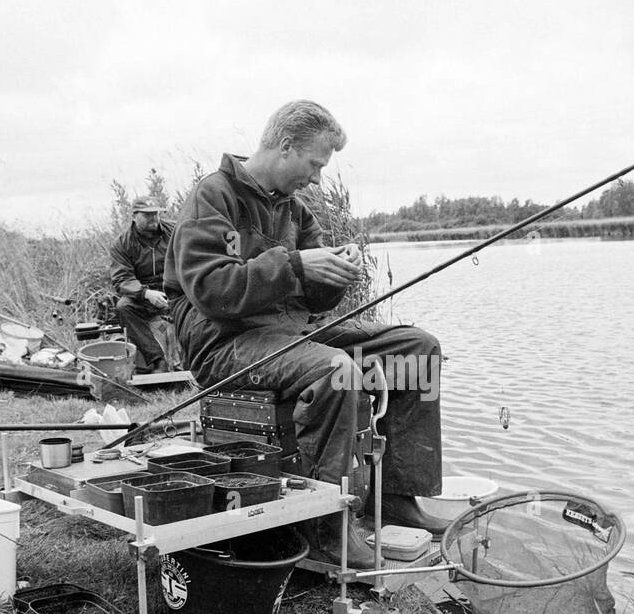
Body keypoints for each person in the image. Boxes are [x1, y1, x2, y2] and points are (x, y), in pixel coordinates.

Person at [166, 100, 447, 567]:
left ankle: (397, 495)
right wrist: (296, 264)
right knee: (336, 371)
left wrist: (335, 274)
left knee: (418, 352)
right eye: (315, 163)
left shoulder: (294, 211)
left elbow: (316, 301)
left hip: (292, 335)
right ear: (284, 147)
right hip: (224, 343)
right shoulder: (213, 196)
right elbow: (213, 291)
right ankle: (324, 528)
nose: (317, 177)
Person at [109, 196, 180, 373]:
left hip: (175, 287)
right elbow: (122, 278)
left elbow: (191, 259)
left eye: (156, 214)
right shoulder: (122, 243)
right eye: (147, 215)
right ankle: (157, 360)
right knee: (124, 307)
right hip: (144, 293)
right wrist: (146, 293)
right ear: (134, 216)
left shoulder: (175, 231)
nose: (154, 219)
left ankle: (193, 358)